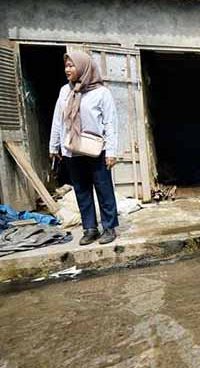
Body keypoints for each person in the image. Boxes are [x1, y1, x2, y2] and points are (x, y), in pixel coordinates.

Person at [49, 52, 120, 246]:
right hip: (72, 148)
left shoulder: (101, 92)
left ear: (83, 67)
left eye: (71, 66)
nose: (67, 70)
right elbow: (58, 120)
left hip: (96, 149)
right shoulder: (65, 91)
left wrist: (112, 152)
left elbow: (110, 123)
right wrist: (54, 145)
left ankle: (109, 227)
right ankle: (90, 229)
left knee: (103, 189)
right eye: (66, 66)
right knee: (81, 190)